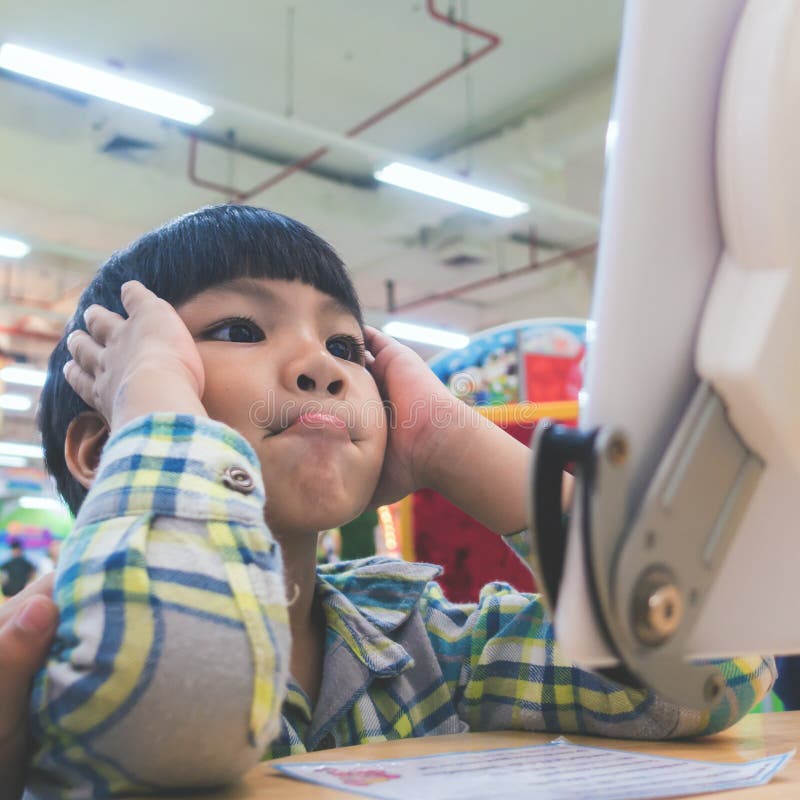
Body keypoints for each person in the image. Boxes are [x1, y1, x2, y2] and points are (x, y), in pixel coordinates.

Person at [13, 205, 772, 798]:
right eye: (240, 328)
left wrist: (451, 441)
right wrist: (155, 401)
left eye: (347, 348)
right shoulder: (52, 644)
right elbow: (186, 695)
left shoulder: (417, 643)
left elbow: (715, 667)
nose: (321, 364)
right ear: (101, 447)